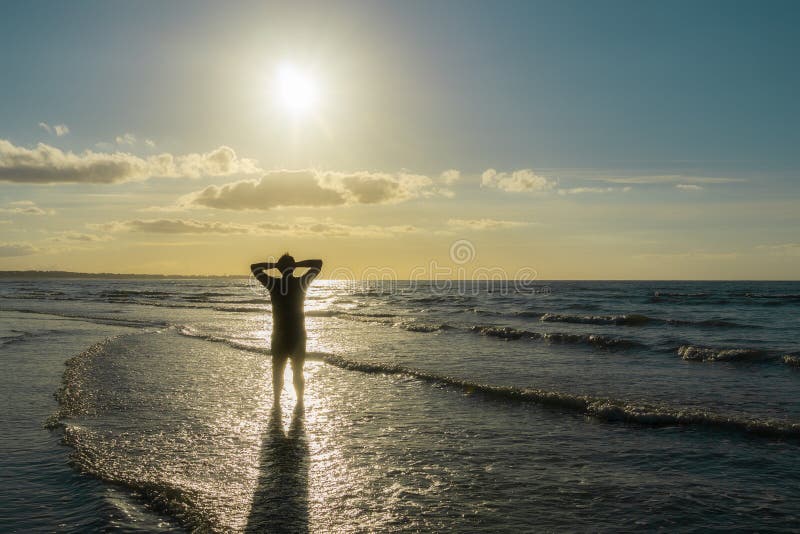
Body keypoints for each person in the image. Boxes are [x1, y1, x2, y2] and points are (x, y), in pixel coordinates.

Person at [250, 253, 322, 405]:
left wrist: (277, 266)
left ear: (281, 269)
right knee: (297, 371)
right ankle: (300, 402)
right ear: (292, 268)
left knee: (278, 371)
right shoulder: (301, 282)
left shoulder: (273, 284)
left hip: (279, 335)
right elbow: (317, 263)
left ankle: (277, 402)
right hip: (297, 335)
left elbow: (254, 268)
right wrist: (295, 265)